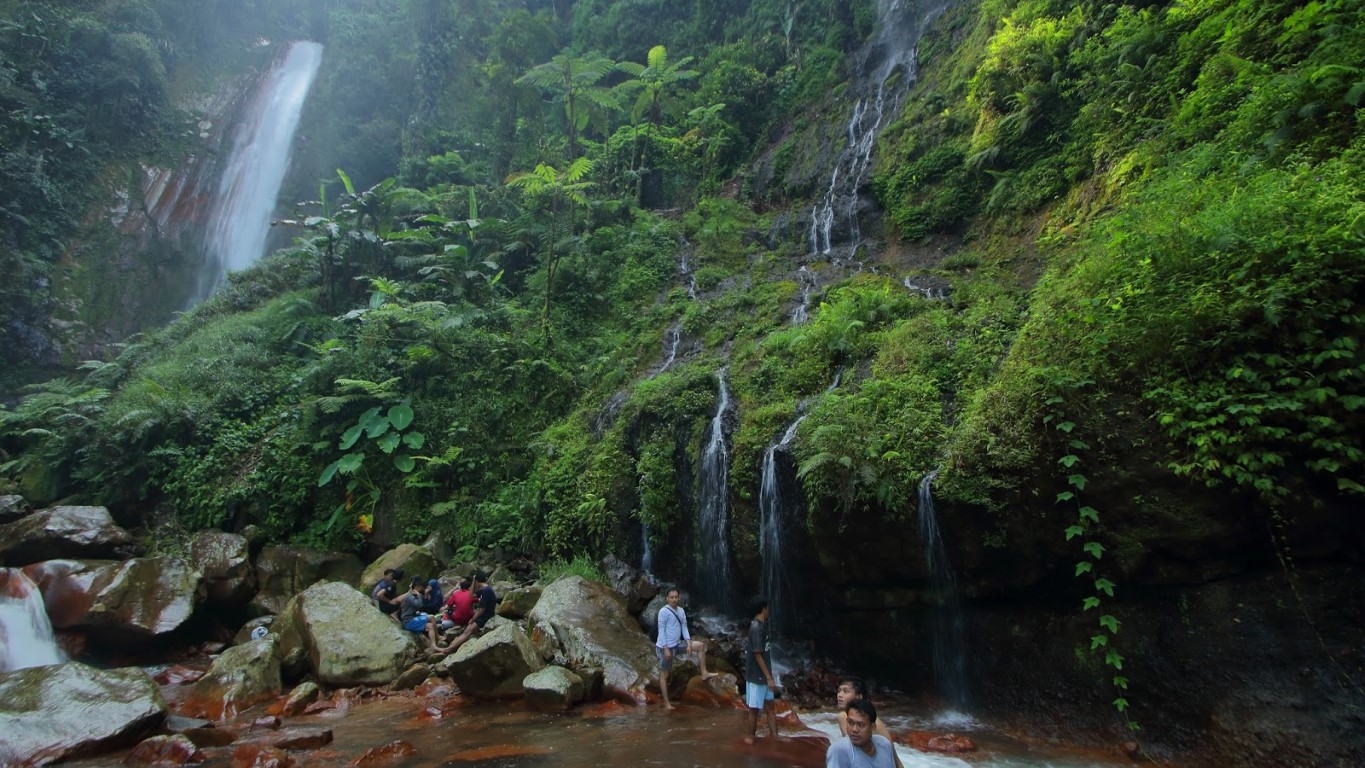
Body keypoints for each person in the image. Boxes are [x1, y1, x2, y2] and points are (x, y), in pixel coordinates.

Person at [655, 588, 718, 710]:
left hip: (678, 644)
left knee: (699, 646)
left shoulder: (681, 611)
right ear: (667, 598)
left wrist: (689, 643)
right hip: (665, 647)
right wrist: (666, 648)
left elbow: (684, 627)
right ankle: (667, 703)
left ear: (679, 598)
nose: (674, 599)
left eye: (676, 597)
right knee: (664, 675)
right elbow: (661, 631)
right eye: (671, 597)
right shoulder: (663, 612)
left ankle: (704, 673)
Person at [826, 698, 903, 768]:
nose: (854, 729)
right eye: (850, 723)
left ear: (873, 727)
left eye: (860, 725)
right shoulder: (839, 750)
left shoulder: (884, 745)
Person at [743, 595, 779, 745]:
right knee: (754, 709)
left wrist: (769, 676)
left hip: (764, 676)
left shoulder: (761, 626)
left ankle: (775, 736)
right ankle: (750, 738)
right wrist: (769, 677)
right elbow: (757, 654)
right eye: (768, 607)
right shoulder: (756, 627)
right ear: (764, 609)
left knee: (770, 706)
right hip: (756, 676)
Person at [438, 571, 496, 654]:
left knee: (467, 632)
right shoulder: (484, 589)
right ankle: (452, 646)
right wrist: (473, 581)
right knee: (466, 630)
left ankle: (448, 650)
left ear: (477, 581)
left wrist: (473, 619)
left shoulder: (486, 591)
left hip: (485, 616)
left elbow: (481, 609)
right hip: (483, 615)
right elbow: (471, 595)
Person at [836, 676, 894, 742]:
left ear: (859, 697)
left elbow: (851, 748)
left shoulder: (844, 716)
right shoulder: (870, 716)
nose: (840, 695)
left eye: (846, 691)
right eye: (839, 691)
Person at [398, 576, 443, 649]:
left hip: (413, 618)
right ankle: (438, 637)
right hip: (408, 621)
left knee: (430, 625)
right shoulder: (410, 596)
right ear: (417, 587)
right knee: (431, 617)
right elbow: (419, 605)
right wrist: (420, 596)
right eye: (422, 587)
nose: (423, 589)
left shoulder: (414, 595)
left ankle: (433, 645)